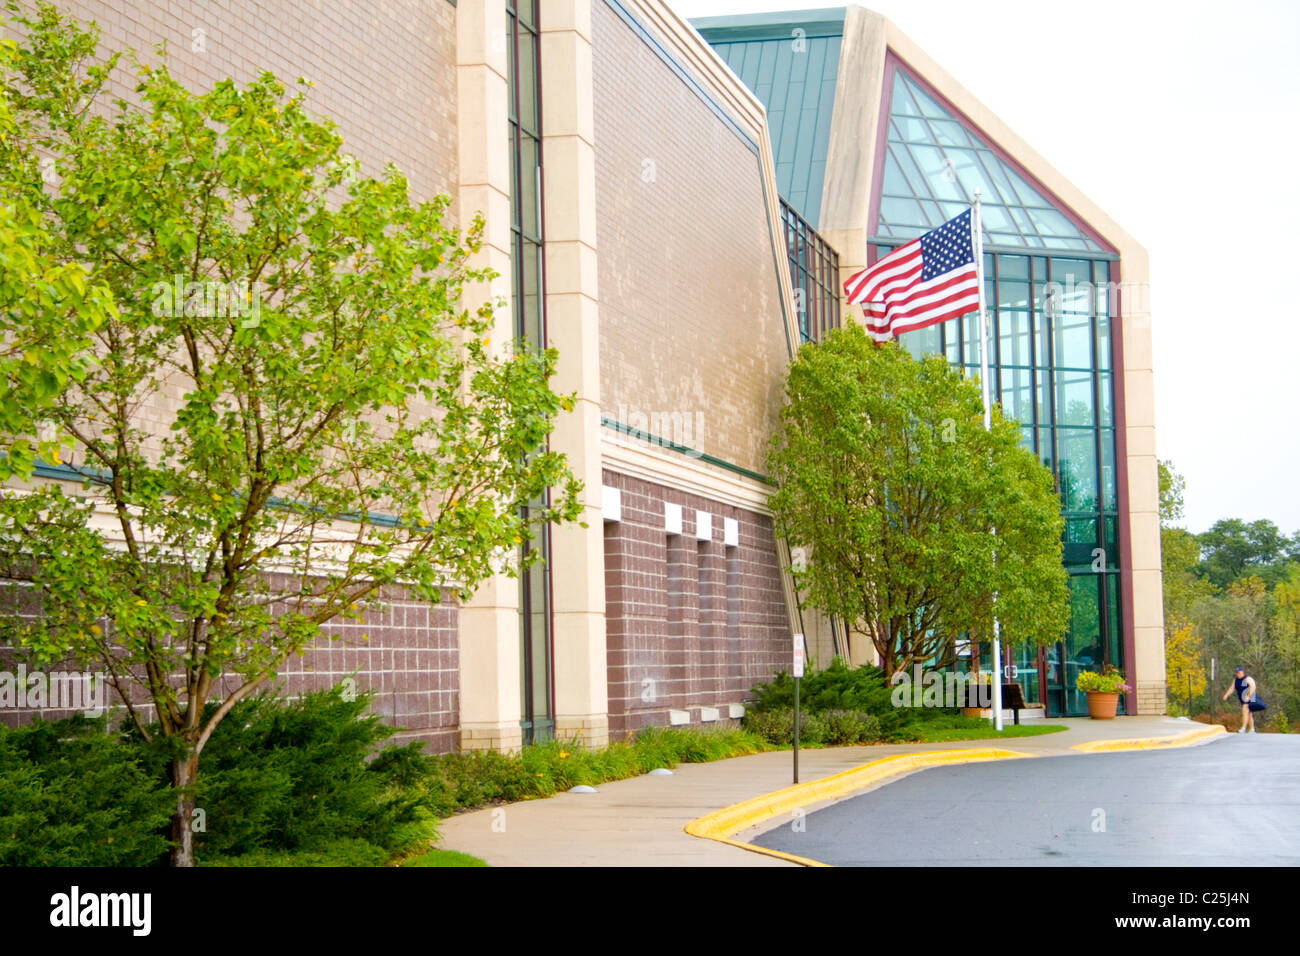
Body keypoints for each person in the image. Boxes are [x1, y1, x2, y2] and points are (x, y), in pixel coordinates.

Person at [1221, 666, 1266, 733]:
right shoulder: (1236, 680)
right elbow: (1232, 688)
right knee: (1249, 713)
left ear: (1242, 672)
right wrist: (1226, 695)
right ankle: (1252, 729)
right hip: (1242, 698)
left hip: (1250, 697)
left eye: (1239, 672)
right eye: (1237, 673)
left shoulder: (1247, 679)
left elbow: (1253, 686)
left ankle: (1243, 728)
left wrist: (1248, 695)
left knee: (1245, 711)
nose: (1238, 674)